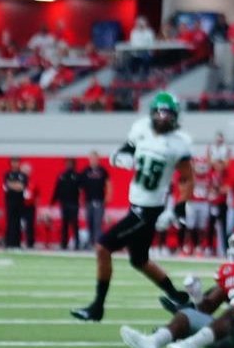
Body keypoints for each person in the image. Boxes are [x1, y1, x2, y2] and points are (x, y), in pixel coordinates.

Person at [70, 92, 194, 322]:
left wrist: (178, 207)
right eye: (158, 112)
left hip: (147, 210)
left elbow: (187, 177)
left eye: (167, 113)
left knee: (102, 247)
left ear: (175, 116)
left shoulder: (180, 142)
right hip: (135, 205)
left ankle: (97, 307)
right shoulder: (141, 129)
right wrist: (120, 157)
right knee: (139, 260)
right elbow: (124, 150)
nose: (162, 117)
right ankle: (178, 297)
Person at [123, 222, 234, 348]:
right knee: (187, 314)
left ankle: (189, 346)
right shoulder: (229, 272)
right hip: (230, 338)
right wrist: (197, 295)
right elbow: (207, 309)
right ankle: (152, 342)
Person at [80, 151, 109, 244]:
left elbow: (109, 184)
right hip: (88, 201)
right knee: (89, 223)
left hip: (99, 201)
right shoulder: (85, 171)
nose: (93, 160)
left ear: (98, 159)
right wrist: (80, 199)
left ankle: (98, 243)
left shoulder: (103, 171)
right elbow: (81, 187)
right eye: (91, 158)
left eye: (95, 158)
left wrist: (108, 197)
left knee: (98, 223)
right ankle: (90, 242)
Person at [52, 159, 81, 252]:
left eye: (70, 164)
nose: (69, 165)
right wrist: (53, 201)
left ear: (74, 165)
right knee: (64, 224)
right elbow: (57, 189)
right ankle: (64, 243)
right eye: (67, 164)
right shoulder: (62, 176)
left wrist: (81, 200)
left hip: (74, 204)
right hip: (64, 204)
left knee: (74, 224)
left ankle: (77, 243)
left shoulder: (77, 176)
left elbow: (81, 190)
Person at [1, 159, 30, 250]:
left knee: (18, 223)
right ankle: (9, 243)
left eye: (17, 162)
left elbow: (22, 187)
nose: (15, 164)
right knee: (10, 222)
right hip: (10, 201)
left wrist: (13, 185)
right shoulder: (7, 174)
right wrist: (15, 185)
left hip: (20, 202)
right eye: (13, 162)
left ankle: (17, 243)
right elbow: (7, 185)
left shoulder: (23, 175)